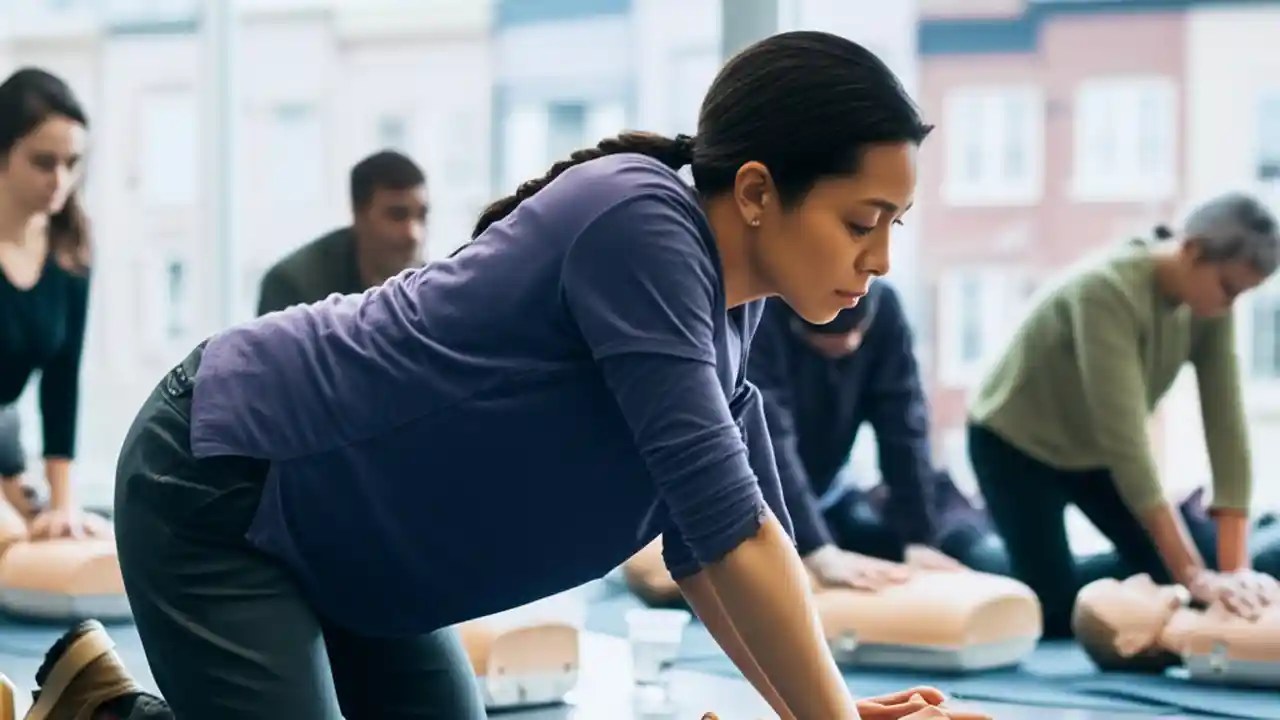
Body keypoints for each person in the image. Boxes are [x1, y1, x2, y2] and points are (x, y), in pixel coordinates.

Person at [70, 32, 981, 720]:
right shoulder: (640, 222)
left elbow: (715, 552)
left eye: (893, 226)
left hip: (363, 556)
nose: (880, 260)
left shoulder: (732, 324)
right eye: (862, 221)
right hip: (230, 477)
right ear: (755, 191)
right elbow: (733, 535)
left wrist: (820, 709)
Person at [967, 193, 1280, 639]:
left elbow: (1227, 430)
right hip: (1015, 444)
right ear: (1191, 251)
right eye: (1229, 289)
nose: (1231, 305)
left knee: (1178, 580)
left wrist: (1235, 576)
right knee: (1053, 610)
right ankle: (967, 545)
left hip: (1092, 452)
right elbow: (1128, 445)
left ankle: (1073, 572)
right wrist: (1195, 576)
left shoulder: (1210, 310)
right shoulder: (1105, 291)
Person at [750, 283, 1010, 593]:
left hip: (836, 493)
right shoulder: (759, 316)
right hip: (767, 504)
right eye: (830, 343)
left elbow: (903, 425)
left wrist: (918, 537)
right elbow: (769, 440)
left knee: (968, 548)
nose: (850, 344)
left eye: (857, 333)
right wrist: (815, 548)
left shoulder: (883, 306)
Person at [0, 67, 108, 540]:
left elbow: (62, 382)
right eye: (44, 162)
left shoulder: (70, 250)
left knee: (77, 539)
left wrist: (64, 503)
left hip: (4, 442)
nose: (60, 180)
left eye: (72, 163)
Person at [256, 149, 428, 315]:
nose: (414, 235)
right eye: (397, 215)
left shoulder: (428, 286)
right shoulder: (293, 285)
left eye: (422, 215)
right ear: (358, 214)